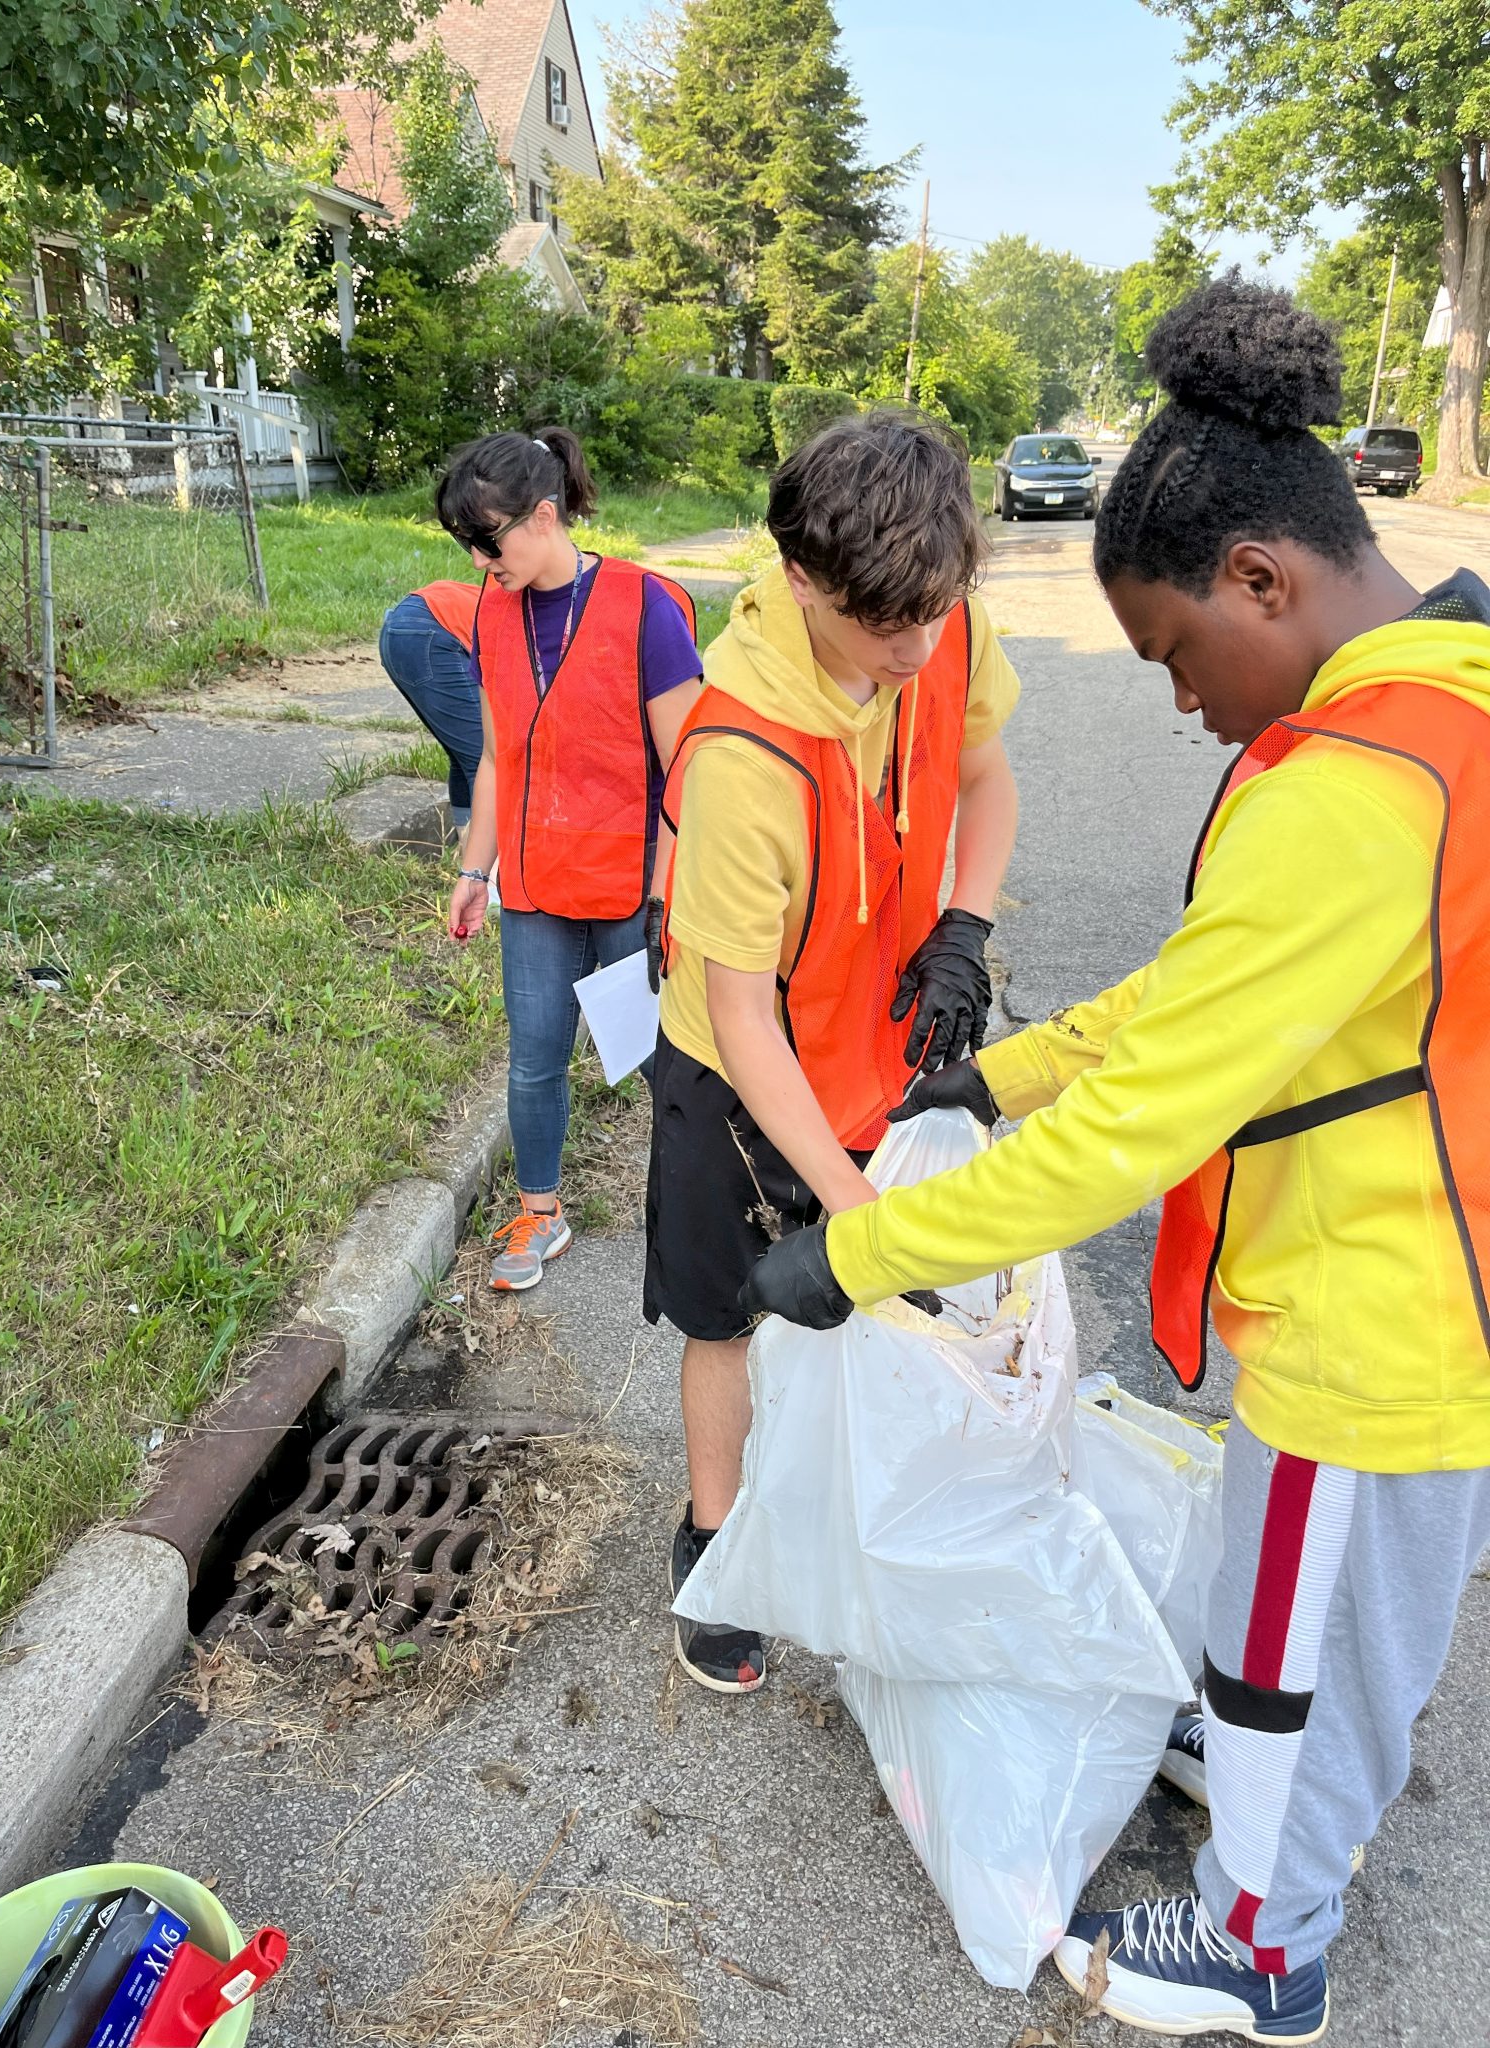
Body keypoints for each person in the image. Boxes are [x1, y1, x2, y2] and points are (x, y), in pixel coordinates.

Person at [740, 278, 1490, 2042]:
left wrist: (847, 1257)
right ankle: (1260, 1771)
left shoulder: (1349, 785)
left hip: (1384, 1317)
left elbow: (1141, 1122)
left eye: (1169, 654)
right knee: (1311, 1614)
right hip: (1429, 1266)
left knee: (1311, 1636)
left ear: (1259, 580)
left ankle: (1264, 1942)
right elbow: (1199, 1000)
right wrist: (991, 1076)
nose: (1175, 700)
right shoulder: (1449, 696)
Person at [646, 408, 1021, 1693]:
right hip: (736, 1078)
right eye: (886, 627)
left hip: (878, 1031)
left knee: (844, 1312)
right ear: (803, 581)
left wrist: (965, 925)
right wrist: (863, 1212)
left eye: (939, 612)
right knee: (729, 1312)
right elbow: (743, 1017)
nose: (919, 650)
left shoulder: (934, 611)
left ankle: (828, 1505)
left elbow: (986, 776)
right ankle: (713, 1539)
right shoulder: (739, 754)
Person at [444, 427, 703, 1290]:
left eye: (490, 540)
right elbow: (496, 756)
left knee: (668, 1059)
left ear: (544, 516)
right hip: (539, 885)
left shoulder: (646, 608)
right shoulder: (492, 612)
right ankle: (541, 1215)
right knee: (535, 1054)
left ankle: (698, 1210)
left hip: (634, 886)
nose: (482, 562)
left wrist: (670, 896)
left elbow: (690, 770)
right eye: (467, 547)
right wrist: (474, 870)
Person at [379, 577, 485, 840]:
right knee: (485, 760)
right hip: (431, 631)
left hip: (399, 627)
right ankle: (487, 871)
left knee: (465, 756)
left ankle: (466, 849)